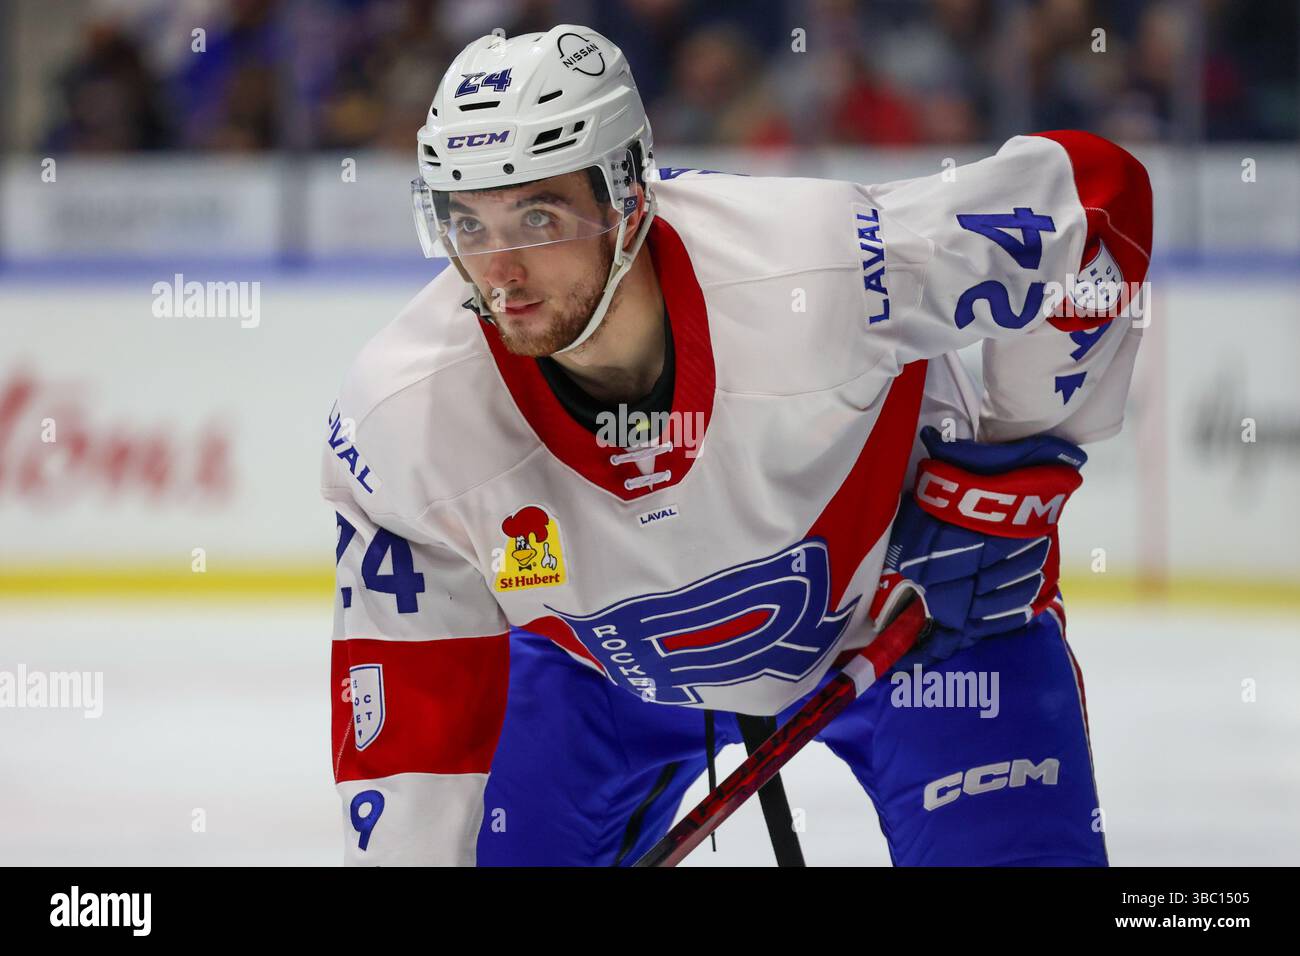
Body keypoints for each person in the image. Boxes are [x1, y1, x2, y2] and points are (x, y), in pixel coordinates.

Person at [322, 25, 1151, 866]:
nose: (499, 272)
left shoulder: (816, 273)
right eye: (467, 222)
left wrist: (1009, 481)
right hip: (605, 674)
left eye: (538, 216)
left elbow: (1093, 199)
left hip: (916, 618)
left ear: (628, 199)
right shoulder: (406, 418)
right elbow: (407, 746)